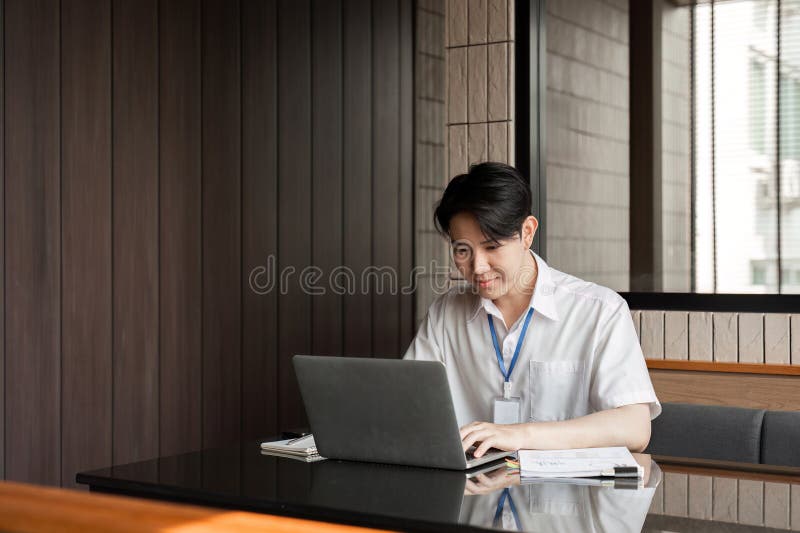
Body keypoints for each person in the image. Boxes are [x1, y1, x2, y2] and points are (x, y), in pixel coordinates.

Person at [403, 162, 661, 458]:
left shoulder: (600, 311)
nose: (478, 267)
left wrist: (519, 435)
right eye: (463, 250)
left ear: (527, 232)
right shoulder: (446, 314)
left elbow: (636, 429)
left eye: (492, 247)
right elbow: (408, 404)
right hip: (473, 494)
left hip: (565, 497)